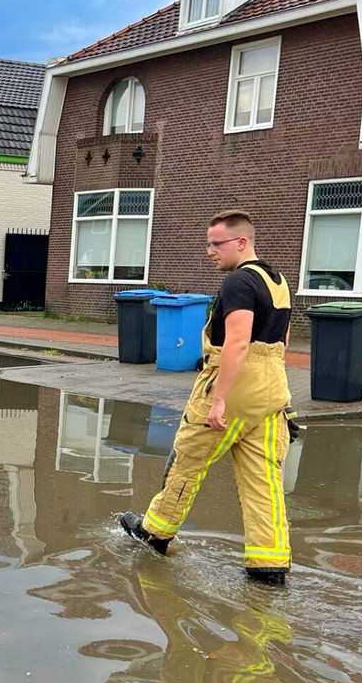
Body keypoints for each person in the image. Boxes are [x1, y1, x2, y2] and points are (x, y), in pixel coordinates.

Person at [119, 210, 294, 584]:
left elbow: (238, 342)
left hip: (235, 385)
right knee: (264, 480)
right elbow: (282, 340)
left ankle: (155, 532)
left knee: (188, 460)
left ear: (241, 242)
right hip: (272, 390)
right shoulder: (277, 280)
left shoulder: (238, 282)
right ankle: (269, 564)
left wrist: (219, 400)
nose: (209, 251)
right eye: (208, 243)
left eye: (217, 244)